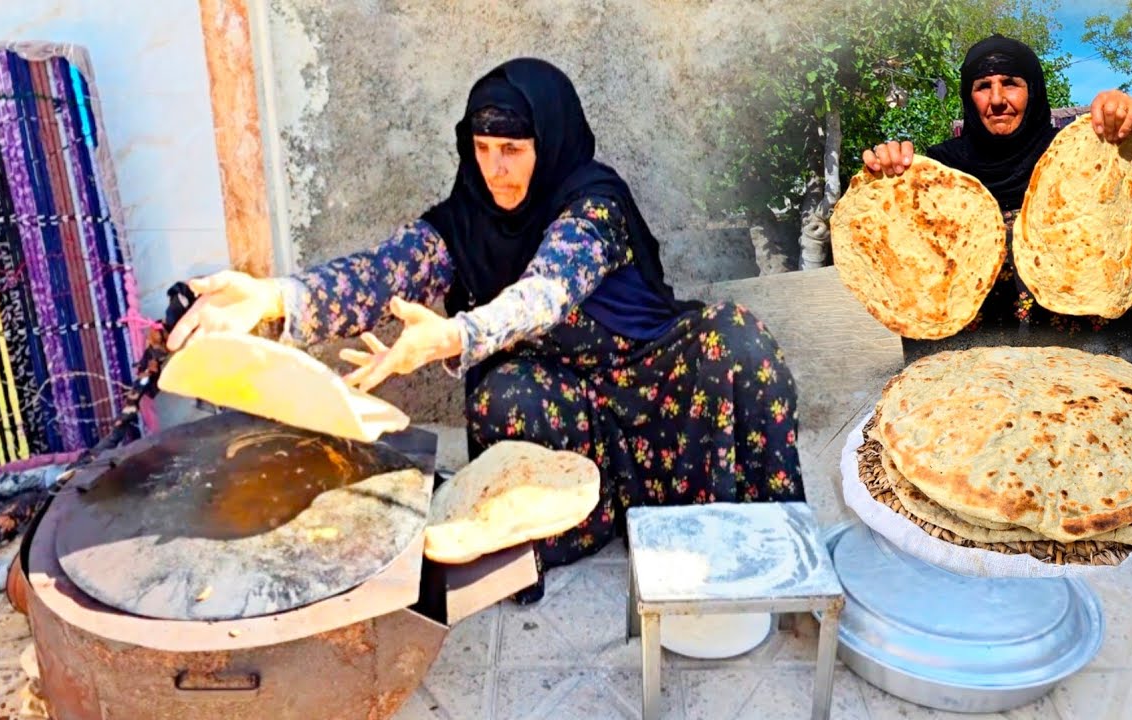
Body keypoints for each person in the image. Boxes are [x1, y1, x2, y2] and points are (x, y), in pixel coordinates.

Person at [166, 58, 804, 603]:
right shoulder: (461, 221)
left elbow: (547, 291)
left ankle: (771, 541)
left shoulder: (593, 201)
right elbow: (377, 274)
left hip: (651, 377)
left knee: (738, 342)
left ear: (547, 145)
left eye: (514, 151)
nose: (497, 170)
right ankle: (572, 525)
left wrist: (452, 337)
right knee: (503, 393)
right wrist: (273, 296)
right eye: (484, 150)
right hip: (564, 399)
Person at [862, 35, 1132, 360]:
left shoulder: (1076, 159)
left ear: (1034, 90)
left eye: (1011, 83)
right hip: (971, 373)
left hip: (1076, 369)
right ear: (967, 96)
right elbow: (905, 260)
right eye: (982, 86)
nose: (997, 99)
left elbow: (1127, 205)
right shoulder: (939, 171)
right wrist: (886, 177)